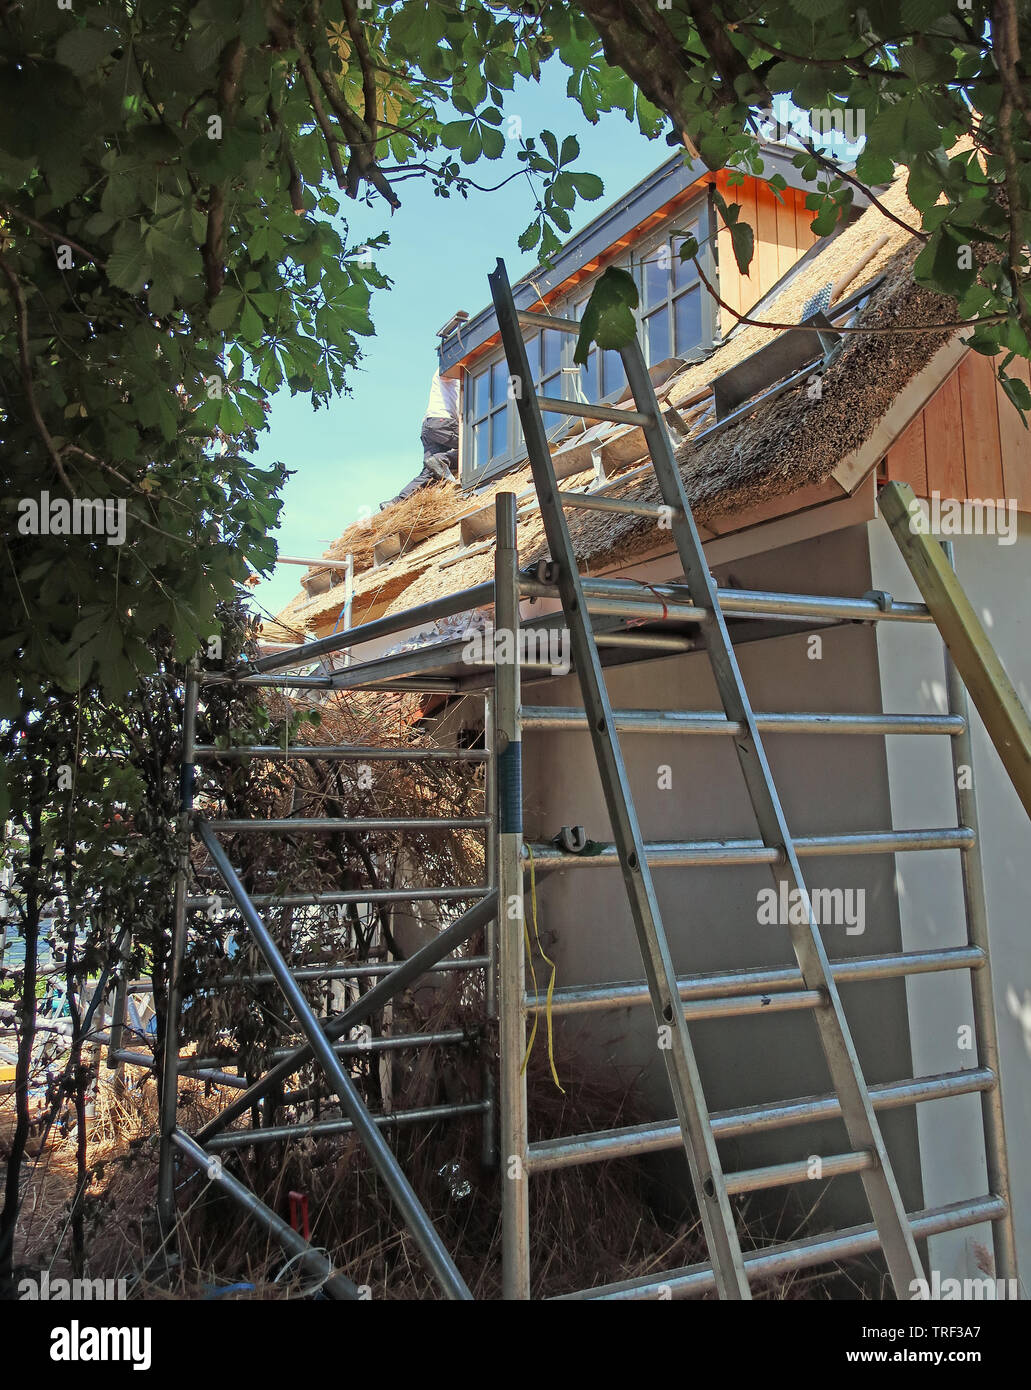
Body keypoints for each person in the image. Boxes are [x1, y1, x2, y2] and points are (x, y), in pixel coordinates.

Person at [381, 369, 461, 509]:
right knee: (475, 445)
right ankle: (441, 459)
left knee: (431, 472)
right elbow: (446, 371)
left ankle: (396, 502)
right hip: (442, 421)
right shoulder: (451, 371)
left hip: (430, 426)